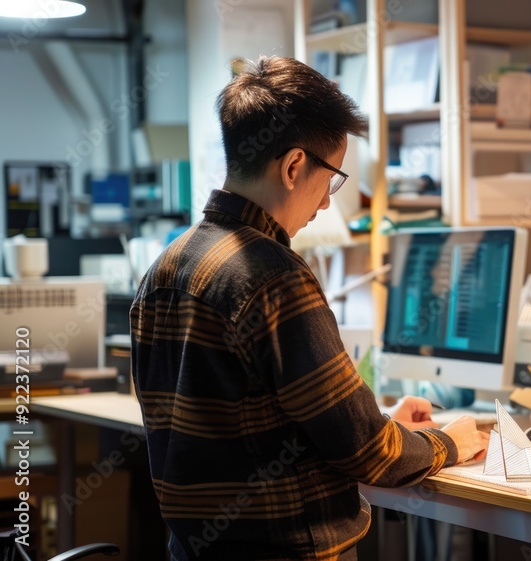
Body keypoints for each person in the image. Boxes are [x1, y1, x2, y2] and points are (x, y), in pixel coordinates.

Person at [129, 55, 488, 561]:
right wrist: (450, 443)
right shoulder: (273, 276)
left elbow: (249, 429)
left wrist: (382, 421)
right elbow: (369, 454)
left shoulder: (165, 268)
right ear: (294, 166)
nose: (325, 203)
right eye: (332, 178)